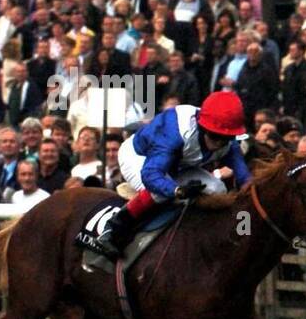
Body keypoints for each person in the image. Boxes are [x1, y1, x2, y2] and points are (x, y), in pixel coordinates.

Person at [90, 90, 252, 258]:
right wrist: (177, 190)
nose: (219, 143)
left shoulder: (229, 142)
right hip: (140, 158)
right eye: (214, 135)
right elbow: (151, 175)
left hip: (177, 164)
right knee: (162, 193)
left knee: (217, 189)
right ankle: (112, 228)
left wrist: (251, 196)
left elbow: (244, 177)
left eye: (225, 138)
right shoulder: (175, 133)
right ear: (202, 126)